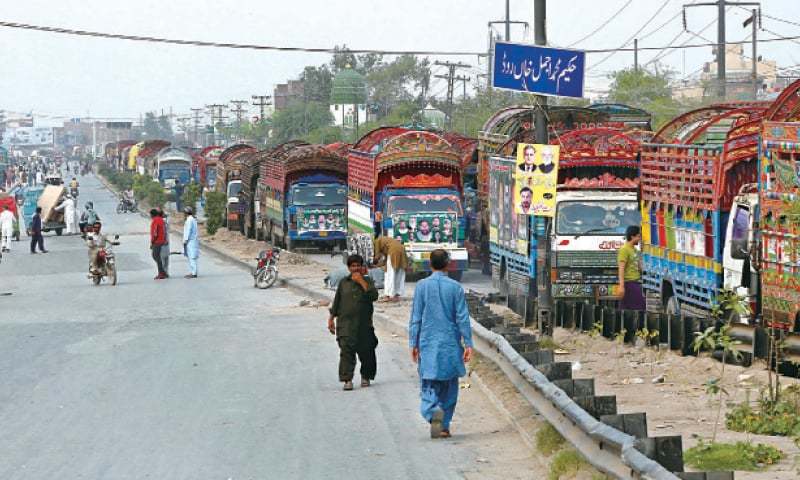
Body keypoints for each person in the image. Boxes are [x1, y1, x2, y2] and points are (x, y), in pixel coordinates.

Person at [408, 249, 473, 439]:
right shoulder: (455, 288)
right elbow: (462, 317)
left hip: (427, 343)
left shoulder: (421, 286)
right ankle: (444, 425)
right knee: (449, 386)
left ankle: (431, 412)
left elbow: (416, 317)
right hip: (450, 344)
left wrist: (413, 342)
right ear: (448, 264)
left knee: (429, 383)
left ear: (430, 264)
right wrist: (468, 343)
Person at [328, 254, 379, 391]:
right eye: (353, 266)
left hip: (364, 325)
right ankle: (347, 379)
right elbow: (337, 301)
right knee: (346, 351)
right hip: (346, 325)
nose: (355, 268)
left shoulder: (368, 281)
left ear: (362, 267)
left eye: (358, 265)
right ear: (349, 267)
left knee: (367, 351)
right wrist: (331, 318)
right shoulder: (344, 283)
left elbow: (374, 296)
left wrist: (361, 282)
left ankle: (366, 377)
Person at [618, 225, 645, 311]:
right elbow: (621, 269)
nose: (640, 239)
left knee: (638, 308)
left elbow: (640, 268)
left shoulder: (635, 250)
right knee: (636, 309)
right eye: (638, 236)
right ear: (632, 236)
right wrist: (622, 286)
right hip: (628, 284)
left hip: (636, 283)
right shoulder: (624, 250)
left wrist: (642, 251)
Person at [373, 236, 407, 302]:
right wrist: (378, 265)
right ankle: (396, 295)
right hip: (402, 250)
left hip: (393, 252)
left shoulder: (376, 242)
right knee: (399, 274)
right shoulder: (387, 241)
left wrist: (374, 262)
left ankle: (388, 295)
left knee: (389, 274)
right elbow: (386, 260)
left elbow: (377, 256)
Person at [149, 209, 167, 280]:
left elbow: (155, 232)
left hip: (157, 241)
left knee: (156, 256)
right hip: (161, 240)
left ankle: (161, 273)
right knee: (156, 256)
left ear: (152, 214)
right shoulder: (161, 220)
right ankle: (163, 272)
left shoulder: (155, 220)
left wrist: (152, 241)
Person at [183, 206, 199, 278]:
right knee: (192, 256)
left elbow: (188, 230)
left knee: (191, 257)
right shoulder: (192, 219)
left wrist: (186, 240)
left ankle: (194, 273)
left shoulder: (189, 220)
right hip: (193, 240)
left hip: (190, 240)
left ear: (186, 213)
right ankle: (193, 271)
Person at [158, 208, 171, 276]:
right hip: (166, 242)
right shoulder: (166, 222)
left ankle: (163, 272)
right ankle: (165, 272)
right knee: (166, 258)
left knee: (162, 258)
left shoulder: (161, 222)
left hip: (162, 242)